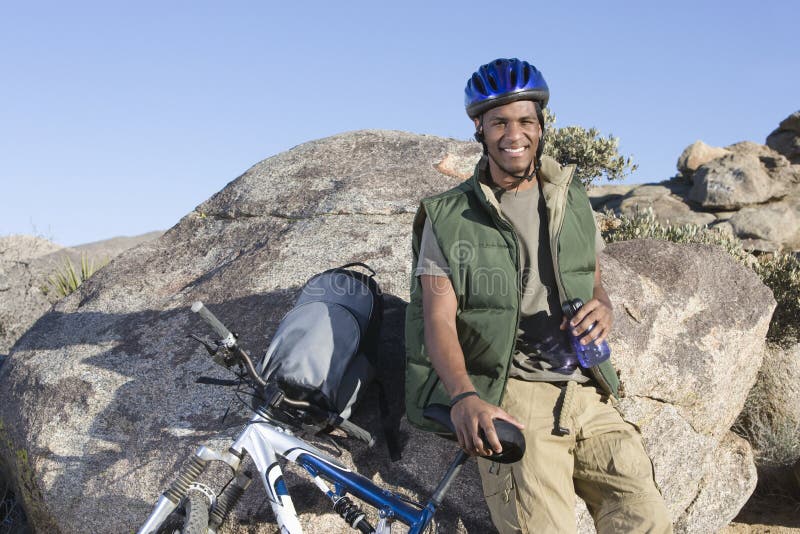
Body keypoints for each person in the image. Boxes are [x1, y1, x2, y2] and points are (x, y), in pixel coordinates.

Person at [405, 58, 672, 533]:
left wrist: (604, 305)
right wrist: (464, 396)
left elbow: (589, 274)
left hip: (587, 389)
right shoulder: (449, 217)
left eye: (525, 120)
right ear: (479, 129)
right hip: (516, 395)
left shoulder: (570, 197)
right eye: (499, 123)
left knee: (646, 518)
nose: (515, 134)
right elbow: (438, 318)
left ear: (541, 124)